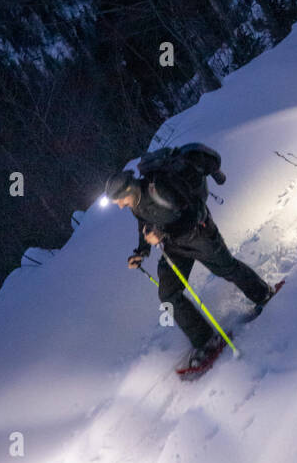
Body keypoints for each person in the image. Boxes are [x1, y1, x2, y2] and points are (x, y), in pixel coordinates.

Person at [105, 143, 275, 366]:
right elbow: (145, 225)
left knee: (227, 268)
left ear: (128, 190)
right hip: (174, 247)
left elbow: (192, 215)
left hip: (200, 236)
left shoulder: (159, 189)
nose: (119, 206)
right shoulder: (136, 203)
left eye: (120, 200)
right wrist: (141, 251)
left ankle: (263, 294)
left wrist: (162, 233)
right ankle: (206, 340)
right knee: (168, 294)